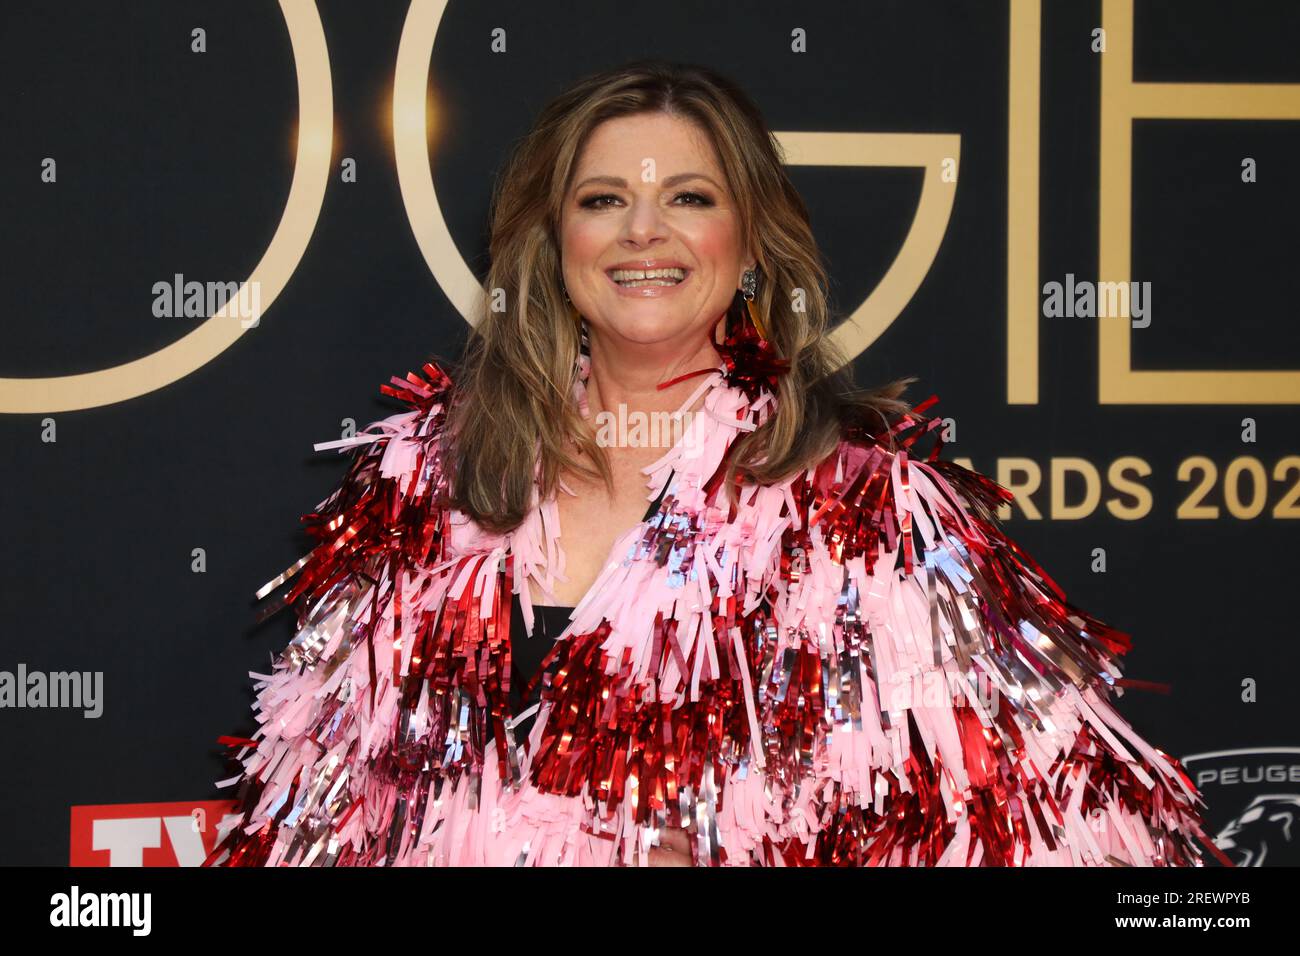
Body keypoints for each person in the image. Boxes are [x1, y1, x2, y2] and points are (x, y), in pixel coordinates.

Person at [203, 60, 1224, 867]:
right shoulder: (422, 483)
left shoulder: (868, 509)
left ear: (749, 248)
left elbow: (1047, 824)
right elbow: (316, 817)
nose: (642, 230)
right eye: (602, 199)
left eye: (687, 196)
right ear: (552, 244)